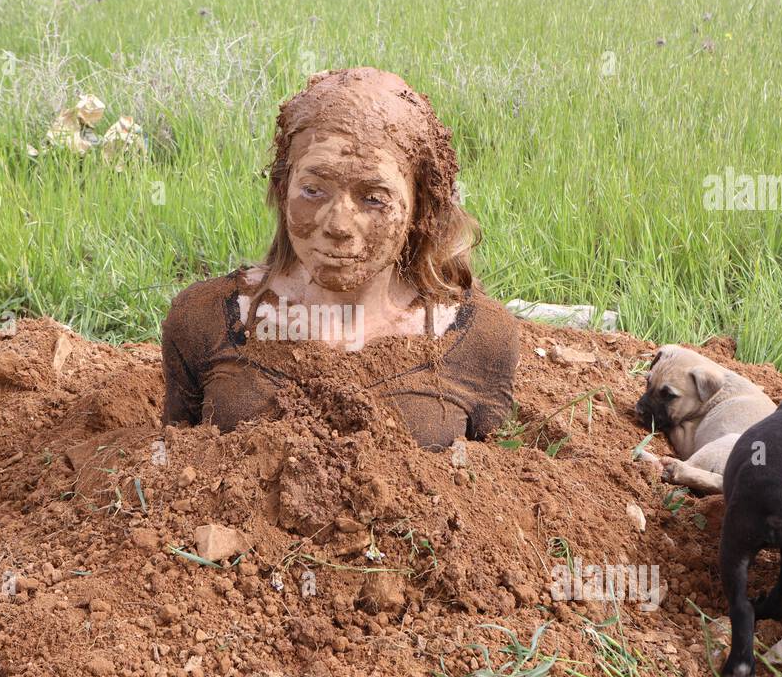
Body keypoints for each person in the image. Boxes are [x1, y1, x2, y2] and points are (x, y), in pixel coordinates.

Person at [160, 67, 519, 449]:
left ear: (420, 211)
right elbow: (176, 461)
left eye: (374, 198)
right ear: (283, 192)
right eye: (313, 190)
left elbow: (489, 481)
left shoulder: (481, 337)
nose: (338, 224)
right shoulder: (204, 319)